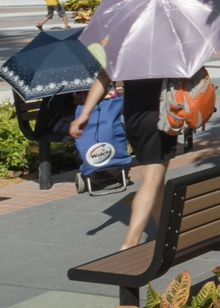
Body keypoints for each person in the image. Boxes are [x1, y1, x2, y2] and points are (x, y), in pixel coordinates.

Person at [69, 67, 172, 250]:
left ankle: (166, 232)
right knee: (152, 179)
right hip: (160, 115)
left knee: (157, 183)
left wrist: (85, 114)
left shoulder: (125, 45)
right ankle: (131, 242)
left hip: (133, 116)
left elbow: (103, 76)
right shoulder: (165, 45)